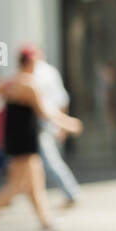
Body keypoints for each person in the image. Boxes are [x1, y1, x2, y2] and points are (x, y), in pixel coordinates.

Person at [0, 45, 83, 231]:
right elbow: (45, 113)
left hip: (16, 140)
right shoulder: (29, 85)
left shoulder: (10, 81)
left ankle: (45, 221)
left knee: (35, 183)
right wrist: (69, 124)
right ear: (31, 62)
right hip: (25, 141)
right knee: (16, 185)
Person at [30, 45, 82, 208]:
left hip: (41, 120)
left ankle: (70, 191)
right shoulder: (50, 72)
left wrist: (63, 123)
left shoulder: (35, 74)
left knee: (48, 159)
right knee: (29, 162)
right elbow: (62, 99)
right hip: (48, 119)